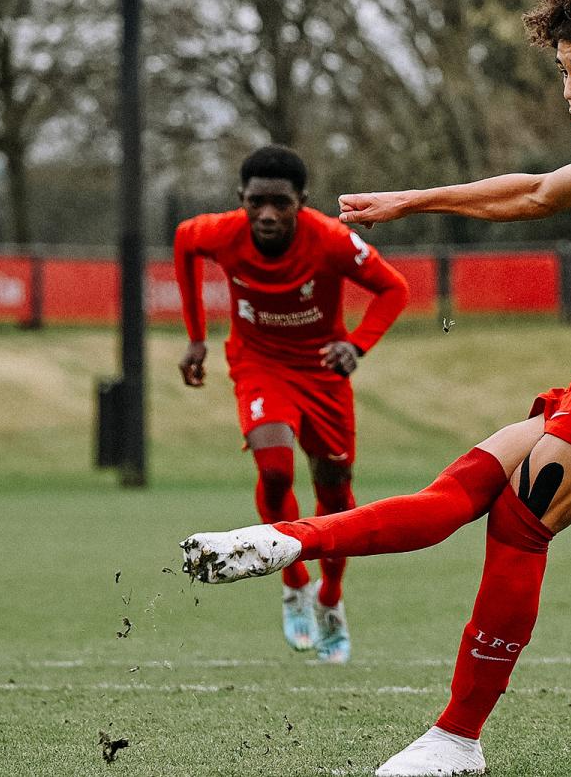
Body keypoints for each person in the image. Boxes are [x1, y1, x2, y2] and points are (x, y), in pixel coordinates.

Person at [181, 0, 571, 773]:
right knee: (463, 489)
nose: (568, 88)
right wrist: (414, 201)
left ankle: (456, 738)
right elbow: (533, 193)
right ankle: (287, 542)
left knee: (523, 519)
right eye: (562, 68)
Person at [174, 145, 410, 664]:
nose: (267, 214)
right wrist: (196, 337)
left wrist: (357, 343)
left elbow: (394, 289)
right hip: (259, 365)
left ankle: (330, 599)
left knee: (337, 496)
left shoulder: (329, 240)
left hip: (323, 372)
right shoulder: (220, 233)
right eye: (257, 202)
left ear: (301, 202)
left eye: (280, 203)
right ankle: (295, 582)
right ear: (241, 198)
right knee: (275, 470)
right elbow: (182, 242)